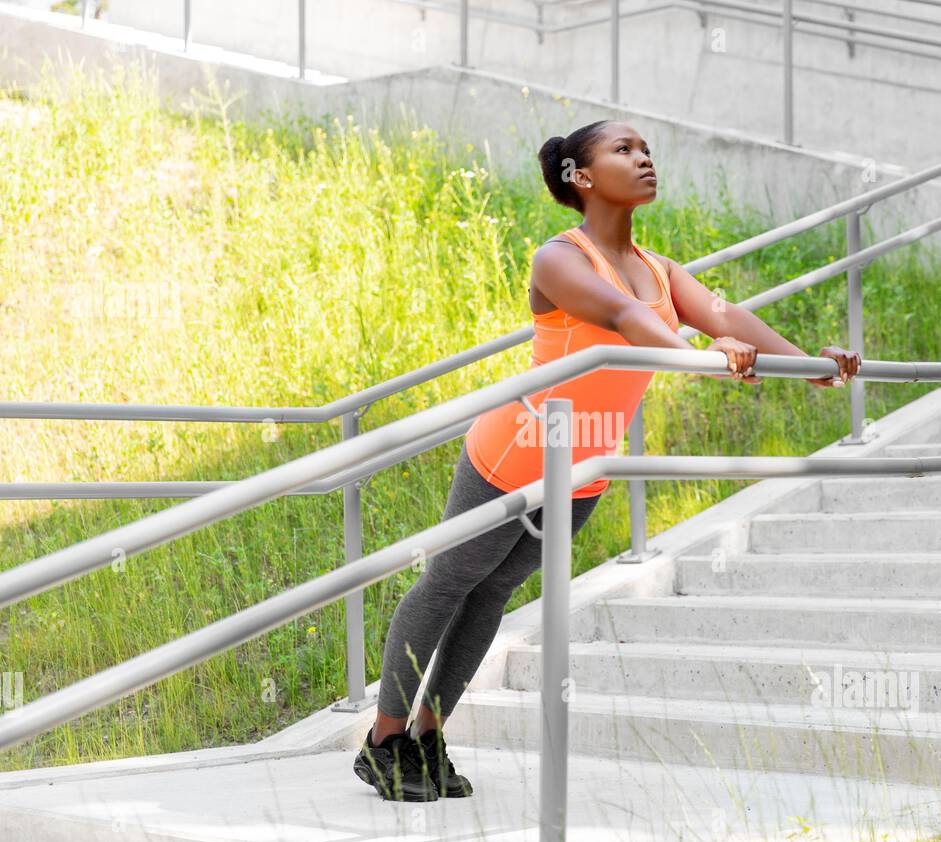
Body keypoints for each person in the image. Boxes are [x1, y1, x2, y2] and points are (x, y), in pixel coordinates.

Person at [354, 119, 862, 801]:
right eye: (624, 149)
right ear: (582, 178)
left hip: (585, 463)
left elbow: (724, 315)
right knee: (452, 582)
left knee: (495, 592)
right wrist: (697, 359)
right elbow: (625, 320)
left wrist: (811, 368)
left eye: (647, 149)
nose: (643, 157)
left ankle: (427, 733)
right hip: (517, 450)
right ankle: (384, 740)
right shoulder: (558, 258)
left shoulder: (660, 270)